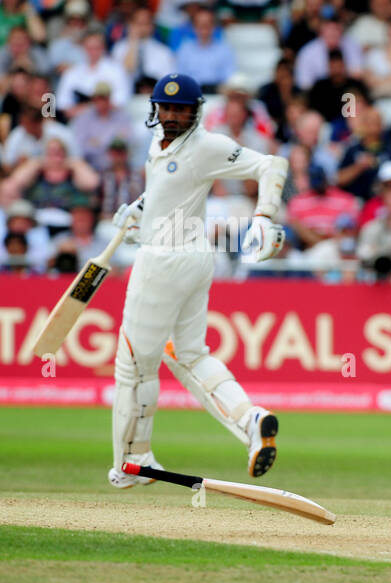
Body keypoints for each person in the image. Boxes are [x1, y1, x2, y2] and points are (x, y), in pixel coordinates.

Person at [105, 73, 289, 489]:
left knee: (133, 367)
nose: (171, 115)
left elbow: (271, 164)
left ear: (196, 110)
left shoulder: (207, 145)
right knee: (187, 354)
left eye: (180, 109)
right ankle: (251, 420)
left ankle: (132, 460)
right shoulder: (159, 143)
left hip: (164, 263)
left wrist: (263, 217)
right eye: (165, 107)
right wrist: (139, 210)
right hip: (190, 258)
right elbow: (167, 190)